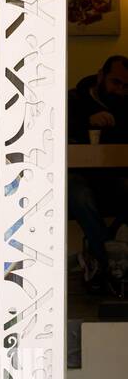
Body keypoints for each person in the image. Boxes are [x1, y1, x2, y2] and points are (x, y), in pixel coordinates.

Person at [68, 55, 128, 291]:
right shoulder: (72, 100)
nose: (120, 90)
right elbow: (51, 132)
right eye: (115, 82)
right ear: (100, 76)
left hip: (114, 177)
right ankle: (109, 261)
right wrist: (86, 123)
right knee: (78, 195)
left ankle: (101, 251)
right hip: (77, 175)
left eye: (125, 86)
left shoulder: (125, 105)